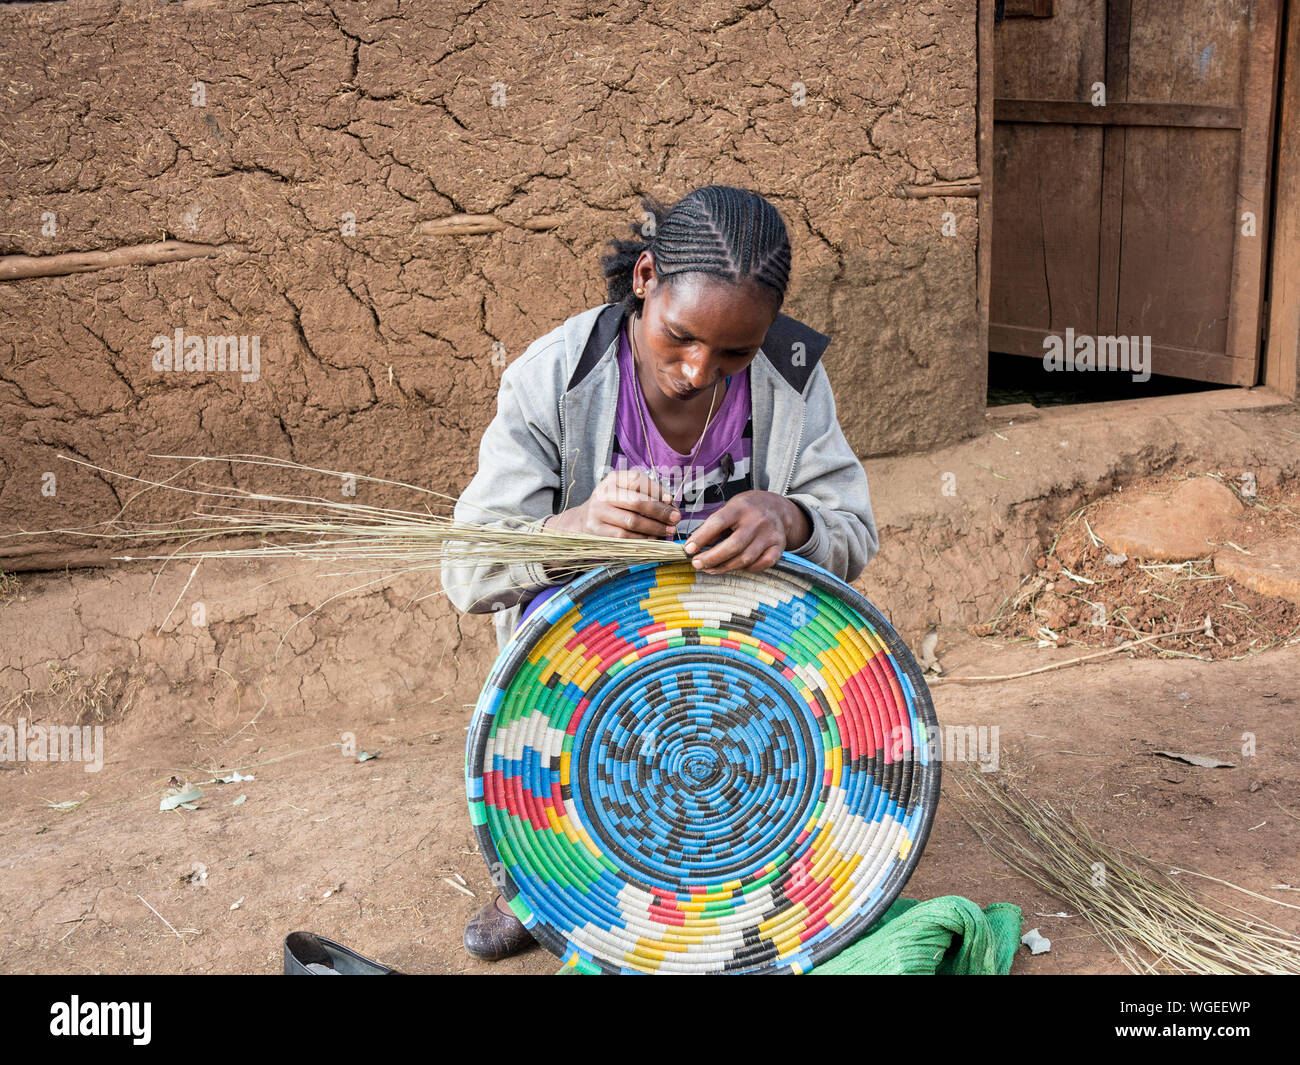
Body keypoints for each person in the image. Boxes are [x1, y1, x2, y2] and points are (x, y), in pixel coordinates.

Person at [440, 184, 879, 961]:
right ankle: (541, 876)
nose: (698, 370)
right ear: (645, 277)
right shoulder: (553, 377)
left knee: (738, 790)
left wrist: (790, 518)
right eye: (678, 337)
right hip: (589, 671)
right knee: (586, 771)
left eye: (735, 352)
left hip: (742, 659)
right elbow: (467, 569)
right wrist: (571, 532)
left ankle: (737, 883)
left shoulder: (793, 375)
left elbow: (852, 529)